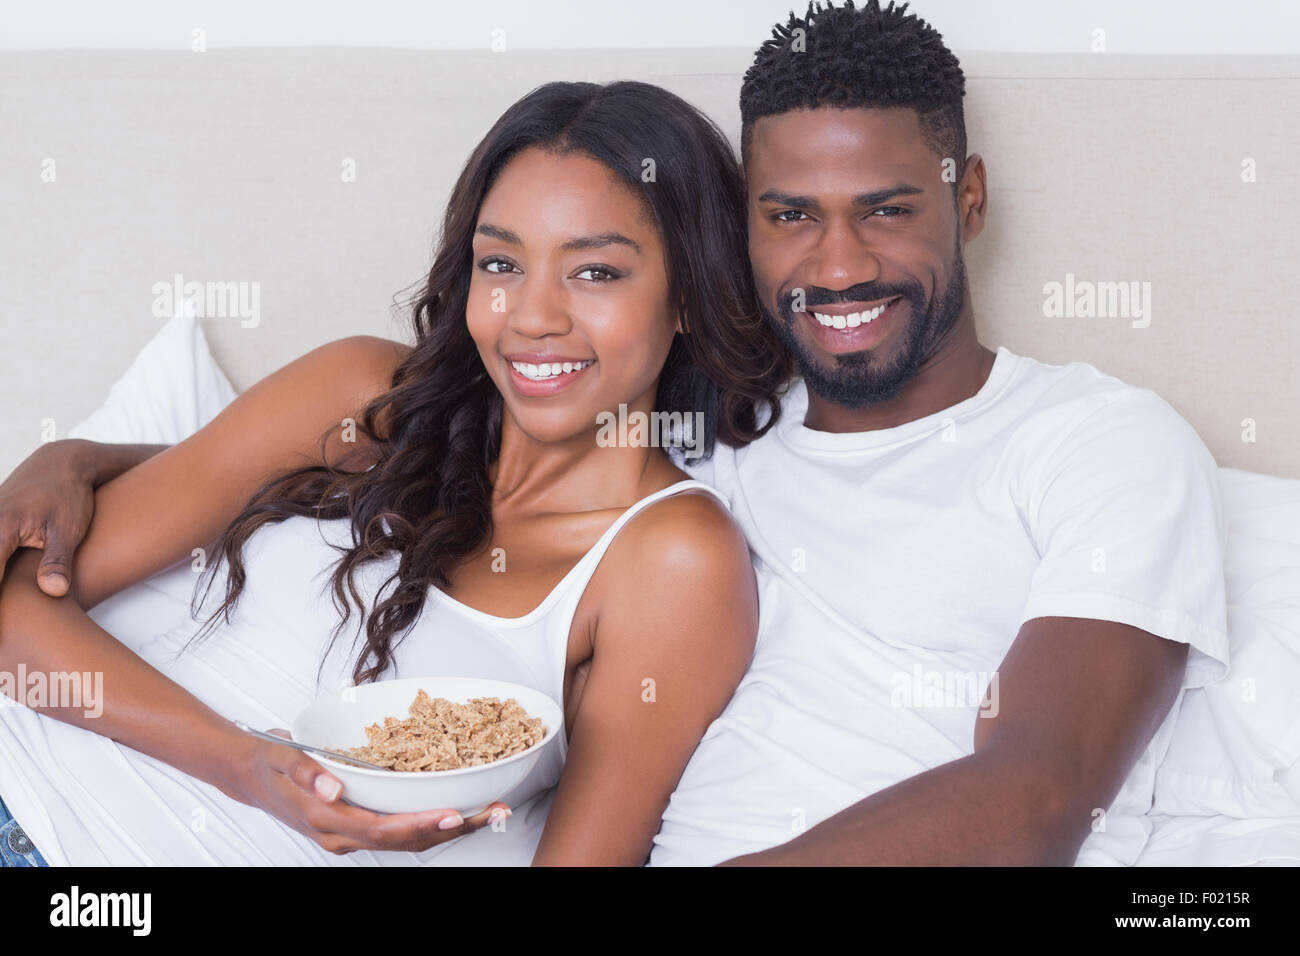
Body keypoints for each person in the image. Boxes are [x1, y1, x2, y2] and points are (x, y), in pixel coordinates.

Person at [3, 0, 1229, 867]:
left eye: (887, 209)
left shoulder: (1088, 440)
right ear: (741, 241)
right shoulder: (671, 427)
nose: (837, 260)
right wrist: (91, 458)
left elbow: (1037, 791)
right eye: (789, 214)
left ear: (966, 199)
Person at [0, 79, 790, 866]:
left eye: (595, 273)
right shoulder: (365, 397)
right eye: (502, 263)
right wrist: (248, 768)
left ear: (687, 293)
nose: (533, 316)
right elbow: (17, 616)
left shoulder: (674, 560)